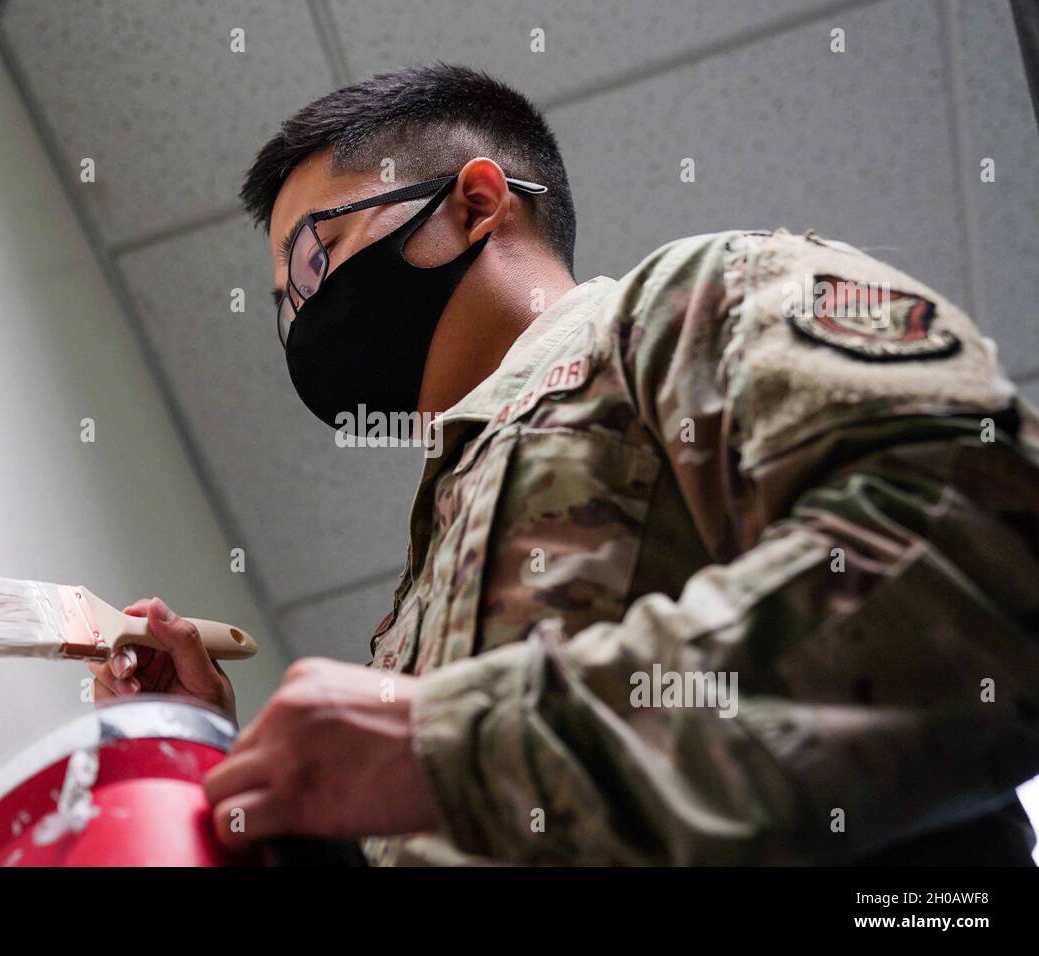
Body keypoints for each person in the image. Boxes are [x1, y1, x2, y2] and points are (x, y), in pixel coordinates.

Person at [91, 64, 1039, 865]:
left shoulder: (690, 303)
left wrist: (451, 747)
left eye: (315, 259)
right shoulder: (423, 585)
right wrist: (205, 747)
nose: (303, 321)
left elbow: (976, 556)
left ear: (475, 203)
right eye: (282, 307)